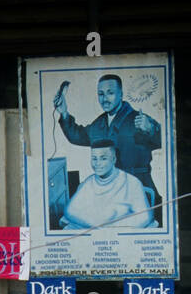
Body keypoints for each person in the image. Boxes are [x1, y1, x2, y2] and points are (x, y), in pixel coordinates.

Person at [53, 74, 162, 213]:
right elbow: (78, 136)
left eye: (110, 93)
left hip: (140, 194)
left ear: (121, 94)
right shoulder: (99, 124)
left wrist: (151, 129)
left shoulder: (139, 120)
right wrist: (64, 114)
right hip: (111, 196)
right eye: (101, 94)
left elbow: (167, 142)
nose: (105, 99)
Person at [60, 141, 155, 230]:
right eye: (94, 158)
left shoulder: (132, 182)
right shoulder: (88, 182)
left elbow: (145, 217)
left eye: (103, 158)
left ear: (114, 159)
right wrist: (96, 224)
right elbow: (70, 210)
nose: (97, 163)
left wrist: (111, 227)